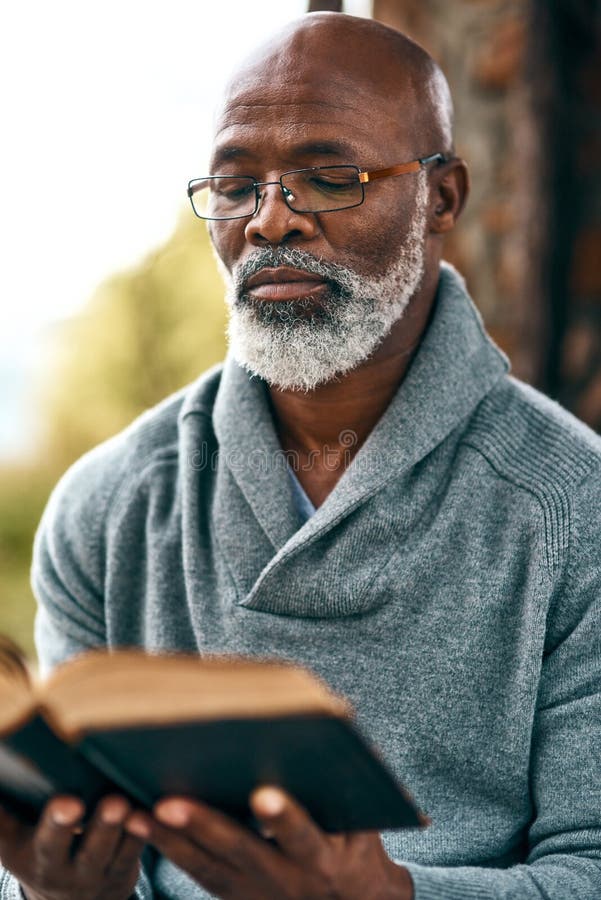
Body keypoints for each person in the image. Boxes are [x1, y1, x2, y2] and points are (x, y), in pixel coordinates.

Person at [1, 10, 600, 900]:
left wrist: (381, 896)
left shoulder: (574, 509)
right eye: (235, 185)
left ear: (441, 199)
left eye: (328, 178)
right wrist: (56, 890)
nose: (270, 221)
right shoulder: (110, 503)